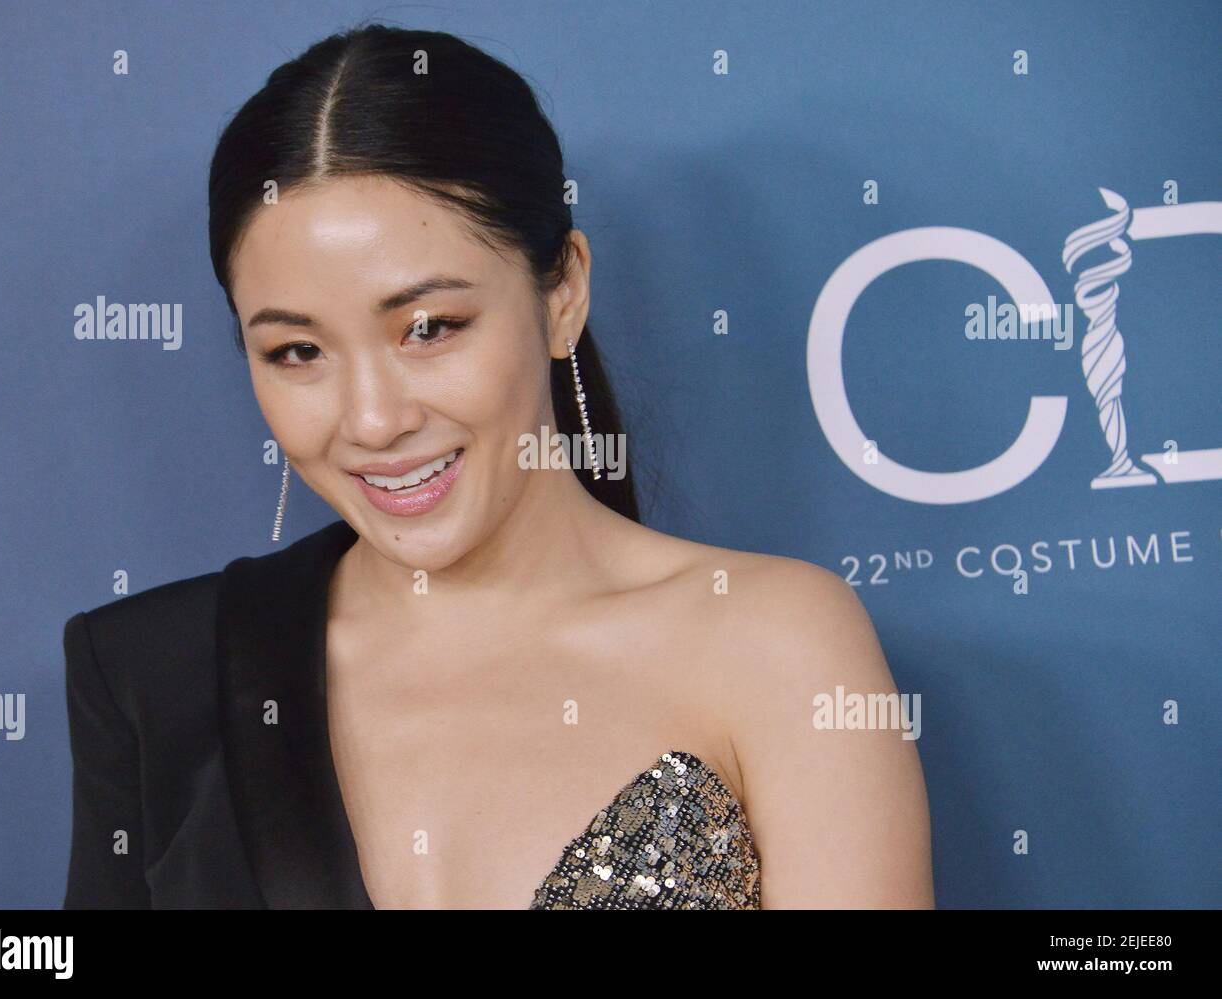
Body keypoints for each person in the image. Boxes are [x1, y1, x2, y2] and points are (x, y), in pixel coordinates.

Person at [63, 22, 933, 909]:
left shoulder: (776, 644)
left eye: (429, 328)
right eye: (297, 351)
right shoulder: (153, 676)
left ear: (562, 292)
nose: (373, 418)